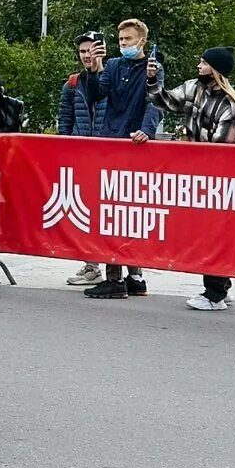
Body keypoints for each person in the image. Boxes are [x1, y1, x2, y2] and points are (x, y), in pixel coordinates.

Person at [146, 47, 235, 310]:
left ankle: (215, 293)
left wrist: (189, 156)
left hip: (222, 179)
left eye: (203, 63)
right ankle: (220, 287)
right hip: (198, 174)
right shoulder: (193, 88)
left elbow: (220, 152)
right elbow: (166, 101)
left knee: (217, 232)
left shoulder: (230, 106)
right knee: (205, 232)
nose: (198, 66)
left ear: (215, 70)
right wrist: (154, 81)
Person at [85, 18, 162, 300]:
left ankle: (134, 275)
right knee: (110, 210)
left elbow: (156, 101)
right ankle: (115, 275)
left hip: (135, 144)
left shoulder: (153, 67)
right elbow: (97, 94)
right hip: (111, 140)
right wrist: (94, 69)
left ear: (142, 40)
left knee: (131, 211)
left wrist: (147, 129)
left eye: (128, 39)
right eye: (121, 40)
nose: (124, 44)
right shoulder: (115, 65)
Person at [58, 31, 109, 286]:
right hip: (82, 158)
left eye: (92, 50)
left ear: (102, 51)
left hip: (110, 156)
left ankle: (129, 270)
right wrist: (65, 149)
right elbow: (65, 120)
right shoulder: (73, 84)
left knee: (111, 214)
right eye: (82, 52)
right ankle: (91, 265)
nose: (87, 56)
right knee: (87, 213)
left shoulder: (113, 80)